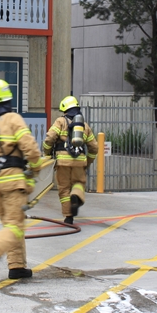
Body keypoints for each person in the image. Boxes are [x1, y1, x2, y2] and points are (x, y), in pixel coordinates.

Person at [0, 78, 44, 282]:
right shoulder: (13, 119)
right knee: (15, 226)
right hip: (12, 182)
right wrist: (35, 169)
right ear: (7, 99)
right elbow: (31, 149)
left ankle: (17, 267)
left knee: (11, 225)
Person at [43, 96, 98, 224]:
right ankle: (76, 196)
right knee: (78, 184)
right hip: (80, 162)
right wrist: (87, 162)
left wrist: (47, 153)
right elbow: (94, 148)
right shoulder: (84, 126)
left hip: (63, 162)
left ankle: (69, 217)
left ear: (65, 109)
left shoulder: (60, 122)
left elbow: (49, 139)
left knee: (64, 188)